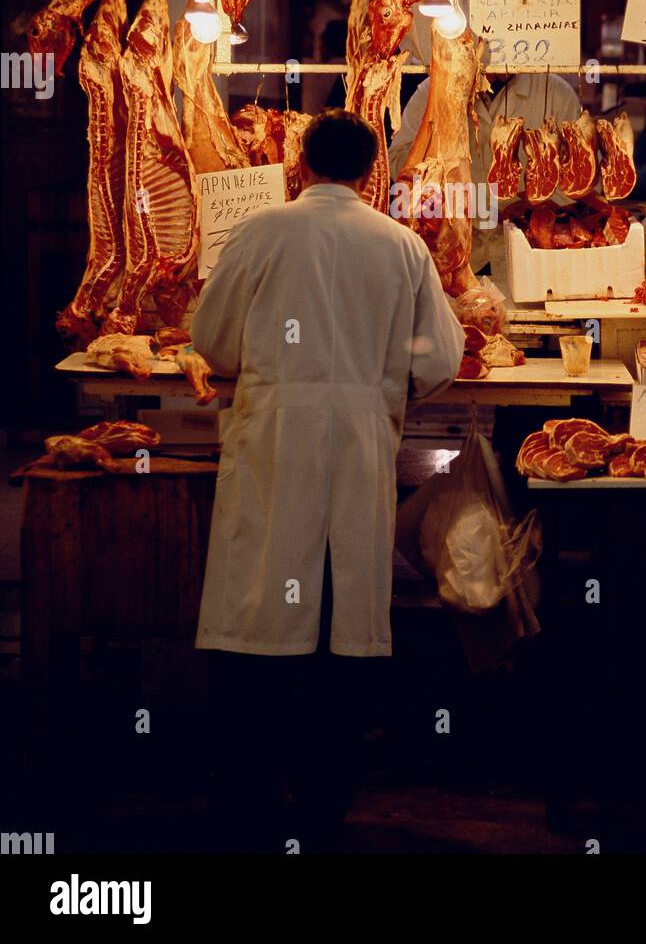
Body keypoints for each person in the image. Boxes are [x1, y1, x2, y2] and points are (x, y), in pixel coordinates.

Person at [190, 109, 465, 851]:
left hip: (272, 446)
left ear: (300, 164)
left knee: (259, 621)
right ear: (372, 172)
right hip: (358, 451)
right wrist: (381, 384)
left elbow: (211, 340)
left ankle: (248, 809)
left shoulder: (261, 232)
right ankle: (321, 813)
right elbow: (437, 361)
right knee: (340, 636)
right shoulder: (402, 246)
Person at [388, 70, 581, 279]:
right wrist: (441, 135)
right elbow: (399, 163)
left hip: (533, 259)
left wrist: (532, 210)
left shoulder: (555, 93)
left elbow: (580, 184)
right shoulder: (432, 90)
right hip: (454, 259)